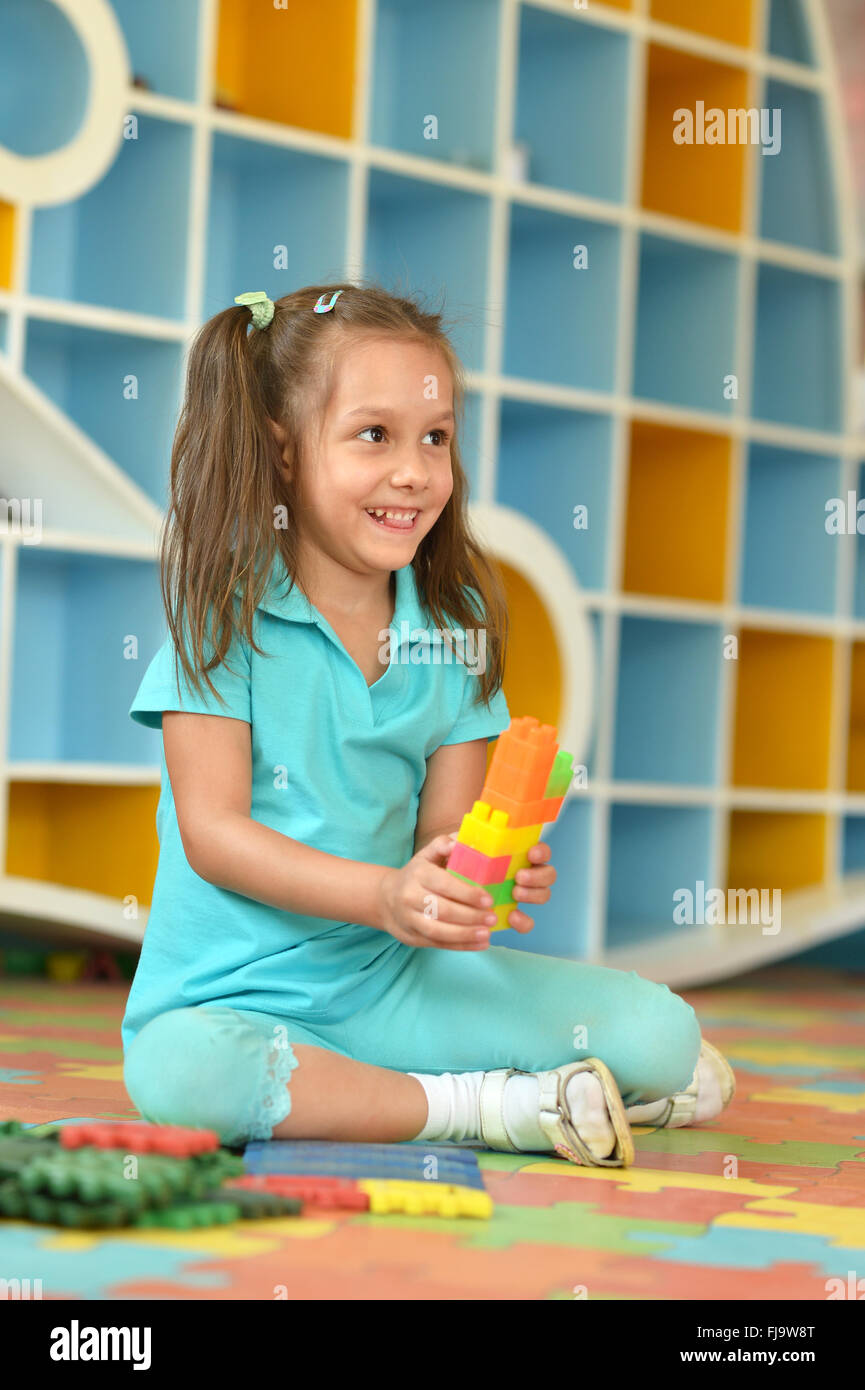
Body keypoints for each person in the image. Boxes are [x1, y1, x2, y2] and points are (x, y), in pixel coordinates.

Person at [122, 282, 733, 1164]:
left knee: (665, 1036)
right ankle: (486, 1107)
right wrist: (379, 894)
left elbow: (442, 836)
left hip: (392, 982)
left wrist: (482, 869)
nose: (414, 471)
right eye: (375, 435)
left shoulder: (451, 640)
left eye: (435, 438)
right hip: (229, 1000)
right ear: (282, 452)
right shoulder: (224, 627)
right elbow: (213, 833)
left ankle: (522, 1095)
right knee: (184, 1081)